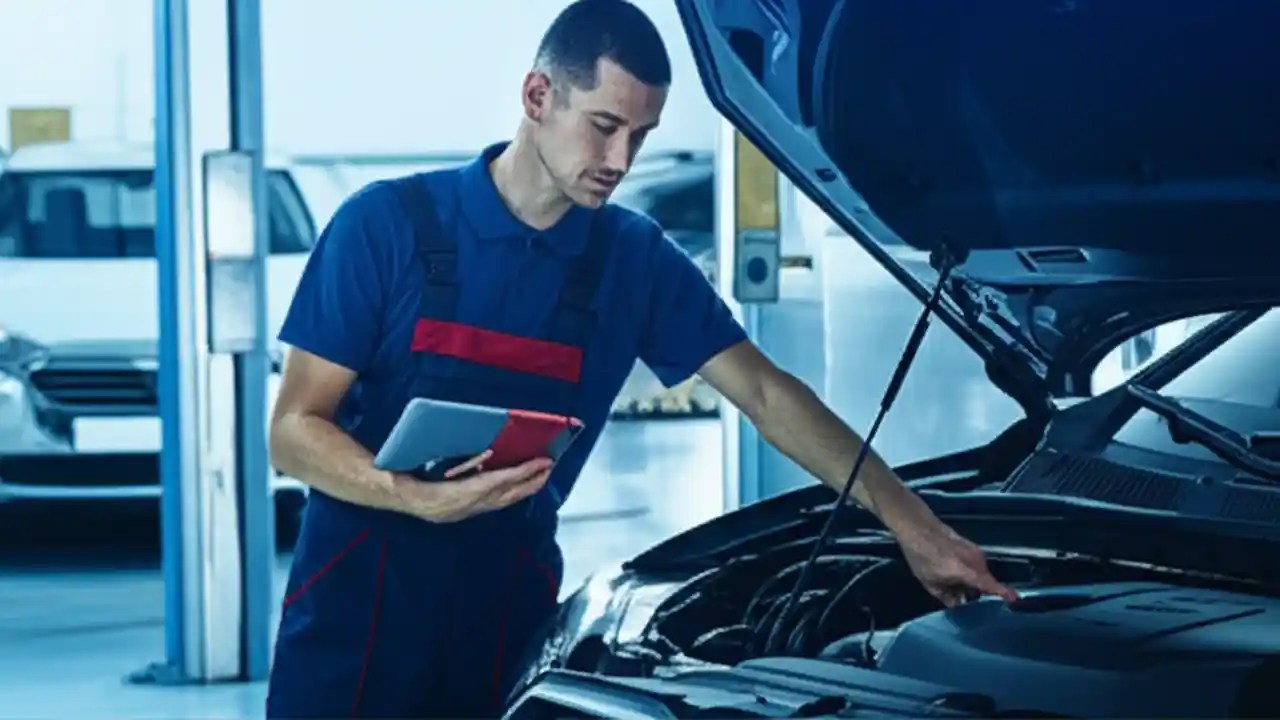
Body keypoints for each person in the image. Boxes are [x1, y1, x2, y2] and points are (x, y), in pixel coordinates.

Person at [264, 0, 1018, 717]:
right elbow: (294, 429)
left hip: (499, 617)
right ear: (537, 96)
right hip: (356, 617)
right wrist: (412, 497)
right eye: (603, 126)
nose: (620, 159)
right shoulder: (385, 226)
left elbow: (765, 392)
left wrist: (914, 525)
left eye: (641, 135)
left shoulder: (632, 260)